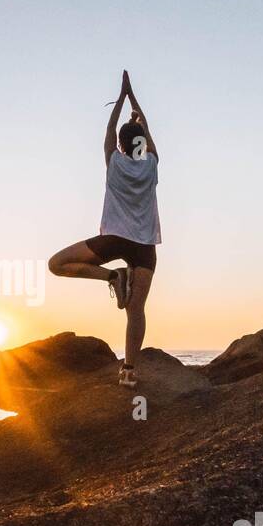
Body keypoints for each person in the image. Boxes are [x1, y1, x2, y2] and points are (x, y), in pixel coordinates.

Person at [48, 70, 160, 388]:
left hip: (113, 239)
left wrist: (122, 97)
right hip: (144, 247)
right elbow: (146, 132)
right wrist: (137, 107)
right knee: (136, 309)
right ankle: (128, 371)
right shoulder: (152, 164)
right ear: (142, 143)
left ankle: (111, 276)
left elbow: (111, 128)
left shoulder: (115, 162)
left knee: (56, 265)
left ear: (122, 146)